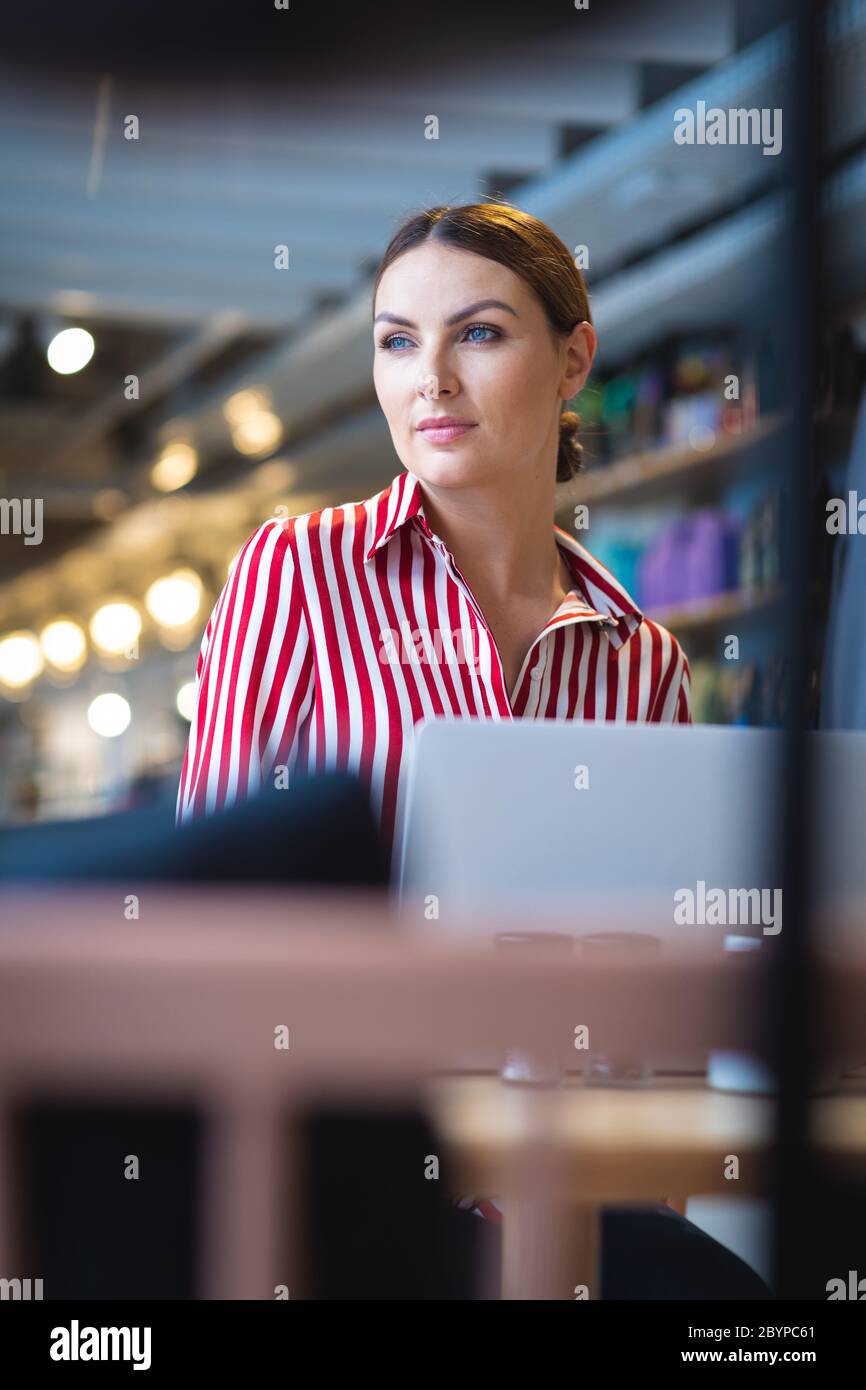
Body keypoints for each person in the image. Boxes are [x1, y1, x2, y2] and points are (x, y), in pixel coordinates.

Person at [177, 200, 770, 1298]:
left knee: (726, 1305)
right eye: (397, 340)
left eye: (478, 333)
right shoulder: (299, 574)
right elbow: (208, 915)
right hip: (346, 1165)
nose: (428, 379)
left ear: (570, 360)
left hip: (565, 1180)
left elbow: (656, 989)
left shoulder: (638, 659)